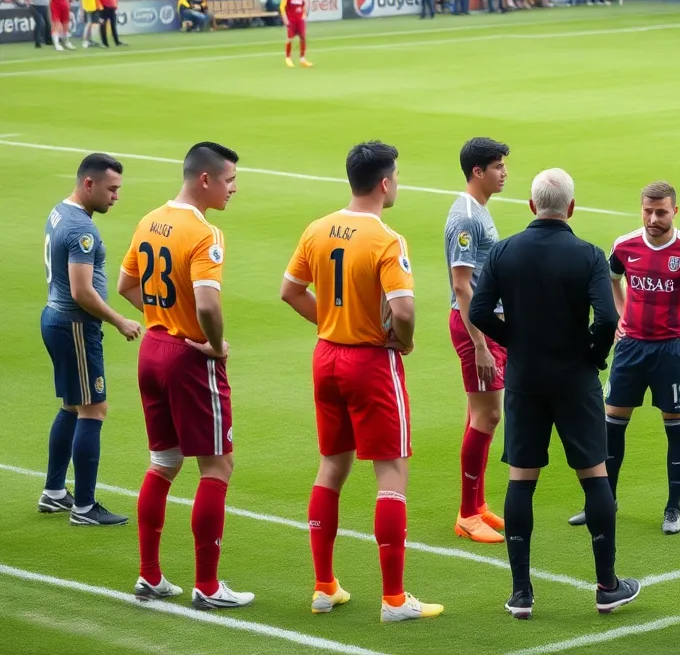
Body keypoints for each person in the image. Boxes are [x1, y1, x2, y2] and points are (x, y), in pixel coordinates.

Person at [280, 141, 443, 623]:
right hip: (370, 362)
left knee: (331, 465)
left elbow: (289, 291)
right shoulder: (387, 240)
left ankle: (325, 587)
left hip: (326, 356)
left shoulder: (318, 228)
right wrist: (403, 341)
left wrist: (332, 321)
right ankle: (394, 599)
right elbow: (406, 311)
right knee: (391, 470)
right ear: (385, 182)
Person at [470, 169, 640, 619]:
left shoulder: (505, 250)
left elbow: (478, 309)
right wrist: (594, 355)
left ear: (531, 207)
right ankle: (607, 586)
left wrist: (515, 341)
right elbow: (607, 319)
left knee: (521, 479)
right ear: (571, 208)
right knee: (594, 475)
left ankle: (521, 593)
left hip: (525, 379)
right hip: (574, 379)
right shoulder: (587, 254)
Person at [115, 142, 252, 609]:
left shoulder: (151, 219)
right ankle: (208, 586)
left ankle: (149, 576)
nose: (235, 188)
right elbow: (209, 303)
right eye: (230, 179)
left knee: (164, 463)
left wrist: (160, 315)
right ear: (206, 180)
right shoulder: (204, 232)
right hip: (189, 358)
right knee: (217, 466)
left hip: (152, 349)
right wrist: (213, 345)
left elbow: (125, 285)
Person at [567, 181, 680, 534]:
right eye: (648, 211)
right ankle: (604, 503)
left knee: (675, 424)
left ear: (674, 211)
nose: (654, 218)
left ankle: (673, 509)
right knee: (612, 425)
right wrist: (622, 314)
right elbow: (612, 277)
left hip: (671, 349)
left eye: (661, 212)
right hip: (631, 348)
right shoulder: (625, 245)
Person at [39, 153, 141, 526]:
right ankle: (83, 507)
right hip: (76, 325)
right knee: (93, 409)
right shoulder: (81, 230)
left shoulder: (59, 212)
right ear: (88, 184)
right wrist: (119, 321)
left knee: (71, 406)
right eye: (111, 189)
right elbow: (83, 291)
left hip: (56, 318)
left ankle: (53, 492)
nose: (116, 196)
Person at [446, 137, 510, 544]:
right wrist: (482, 343)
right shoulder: (467, 218)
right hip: (477, 328)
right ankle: (468, 513)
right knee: (487, 416)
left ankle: (478, 503)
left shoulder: (479, 210)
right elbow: (462, 285)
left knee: (480, 414)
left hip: (487, 324)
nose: (504, 173)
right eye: (498, 167)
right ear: (477, 171)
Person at [281, 0, 311, 68]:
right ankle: (288, 58)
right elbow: (282, 8)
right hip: (291, 20)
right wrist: (285, 19)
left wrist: (304, 15)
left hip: (300, 20)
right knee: (289, 38)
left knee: (303, 38)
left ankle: (302, 59)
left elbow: (306, 4)